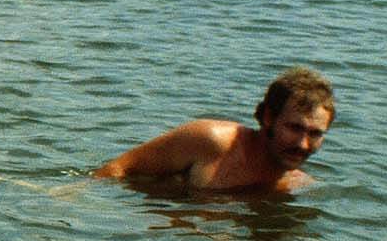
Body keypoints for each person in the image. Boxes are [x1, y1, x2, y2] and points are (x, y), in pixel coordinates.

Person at [95, 67, 334, 193]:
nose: (303, 144)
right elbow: (118, 168)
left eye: (315, 134)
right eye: (294, 128)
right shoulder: (212, 141)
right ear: (269, 117)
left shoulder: (296, 185)